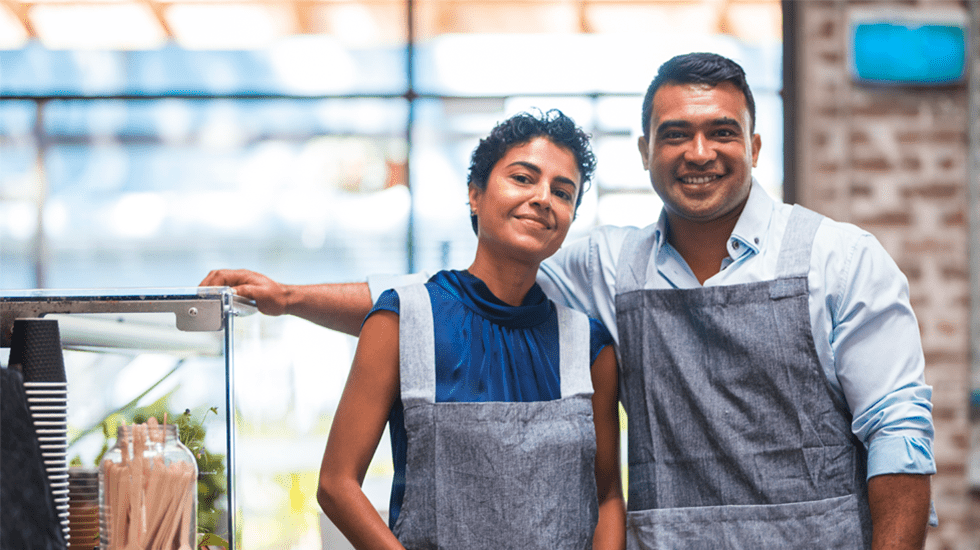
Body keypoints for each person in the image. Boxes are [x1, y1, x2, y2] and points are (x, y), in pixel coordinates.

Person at [202, 53, 935, 549]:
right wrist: (289, 296)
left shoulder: (839, 258)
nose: (700, 152)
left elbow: (898, 428)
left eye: (723, 133)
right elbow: (437, 300)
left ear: (756, 145)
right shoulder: (610, 265)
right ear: (646, 152)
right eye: (675, 134)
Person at [312, 109, 625, 549]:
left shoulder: (589, 346)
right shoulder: (402, 321)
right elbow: (336, 483)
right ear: (475, 195)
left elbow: (608, 496)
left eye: (562, 191)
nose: (543, 198)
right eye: (522, 178)